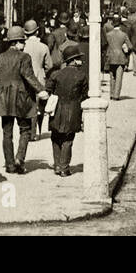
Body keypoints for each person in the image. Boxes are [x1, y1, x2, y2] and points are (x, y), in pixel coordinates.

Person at [0, 25, 49, 174]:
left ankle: (9, 164)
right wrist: (41, 90)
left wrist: (0, 93)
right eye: (23, 41)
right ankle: (19, 159)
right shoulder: (24, 57)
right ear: (16, 42)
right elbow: (29, 76)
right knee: (25, 130)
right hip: (22, 99)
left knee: (6, 133)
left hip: (4, 101)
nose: (24, 44)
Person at [46, 44, 87, 176]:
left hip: (57, 109)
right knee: (68, 139)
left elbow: (48, 91)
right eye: (79, 58)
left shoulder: (56, 74)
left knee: (55, 137)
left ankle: (57, 165)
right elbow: (85, 95)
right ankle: (64, 167)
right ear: (74, 60)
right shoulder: (81, 76)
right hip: (73, 110)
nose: (81, 61)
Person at [22, 20, 53, 139]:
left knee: (28, 105)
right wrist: (42, 71)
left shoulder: (23, 47)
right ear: (36, 32)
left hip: (25, 78)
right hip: (40, 78)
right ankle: (37, 131)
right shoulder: (43, 47)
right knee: (39, 106)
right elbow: (49, 65)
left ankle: (29, 131)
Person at [104, 21, 131, 101]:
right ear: (120, 25)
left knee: (112, 76)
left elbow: (105, 45)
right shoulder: (123, 34)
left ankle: (111, 94)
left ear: (113, 25)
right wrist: (126, 50)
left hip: (111, 56)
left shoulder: (108, 34)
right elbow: (130, 46)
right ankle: (116, 95)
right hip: (120, 57)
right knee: (119, 76)